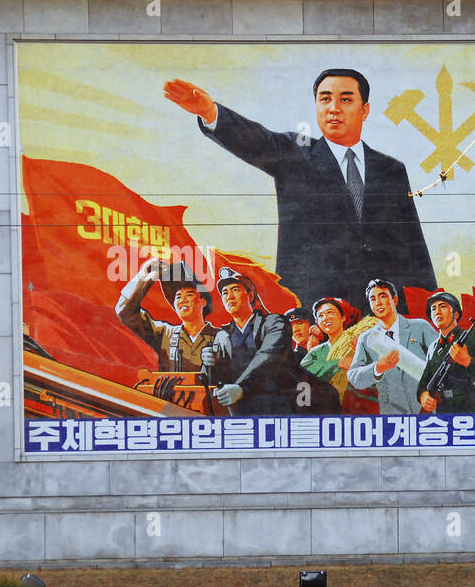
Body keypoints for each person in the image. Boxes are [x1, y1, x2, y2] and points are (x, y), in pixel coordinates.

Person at [163, 70, 437, 309]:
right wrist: (210, 113)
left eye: (345, 99)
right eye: (325, 99)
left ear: (364, 109)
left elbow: (413, 243)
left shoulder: (391, 169)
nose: (333, 107)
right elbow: (256, 141)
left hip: (382, 310)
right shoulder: (295, 153)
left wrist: (431, 304)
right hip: (313, 308)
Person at [202, 267, 338, 415]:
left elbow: (270, 356)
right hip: (243, 411)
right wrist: (211, 364)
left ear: (250, 294)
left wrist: (241, 387)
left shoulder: (275, 322)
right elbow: (212, 380)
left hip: (282, 408)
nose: (229, 297)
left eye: (235, 290)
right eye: (224, 293)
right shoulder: (223, 336)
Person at [346, 280, 438, 415]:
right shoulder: (366, 338)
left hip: (425, 410)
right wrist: (378, 368)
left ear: (394, 300)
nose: (378, 302)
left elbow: (443, 360)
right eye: (373, 299)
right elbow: (354, 377)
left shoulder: (420, 327)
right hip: (391, 416)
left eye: (382, 296)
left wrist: (428, 391)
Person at [115, 256, 220, 373]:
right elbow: (124, 311)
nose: (182, 300)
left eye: (189, 295)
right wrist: (143, 277)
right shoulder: (165, 334)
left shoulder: (221, 337)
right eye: (178, 296)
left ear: (203, 300)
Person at [418, 292, 475, 414]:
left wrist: (469, 361)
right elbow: (425, 381)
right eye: (433, 308)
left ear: (456, 314)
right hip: (445, 411)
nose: (437, 311)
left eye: (443, 306)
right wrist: (423, 395)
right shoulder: (433, 348)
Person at [301, 296, 379, 414]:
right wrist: (338, 363)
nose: (325, 318)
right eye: (320, 316)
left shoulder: (361, 341)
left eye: (330, 312)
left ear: (343, 317)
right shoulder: (316, 351)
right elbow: (304, 372)